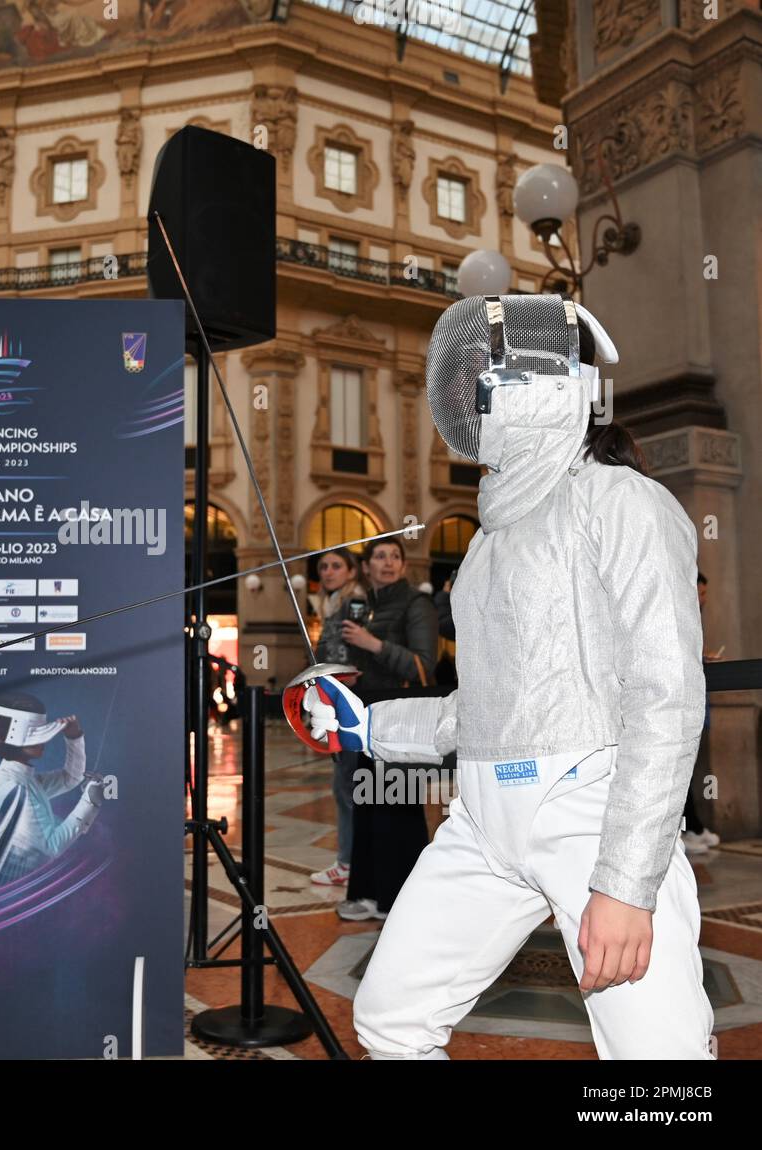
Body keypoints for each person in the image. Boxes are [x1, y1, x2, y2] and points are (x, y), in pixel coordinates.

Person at [300, 296, 714, 1059]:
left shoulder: (622, 502)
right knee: (390, 1021)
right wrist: (365, 724)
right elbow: (477, 715)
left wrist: (625, 883)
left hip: (593, 816)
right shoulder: (488, 546)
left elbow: (668, 696)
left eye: (474, 382)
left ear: (543, 381)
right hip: (484, 822)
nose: (459, 403)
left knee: (663, 1069)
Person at [334, 537, 438, 921]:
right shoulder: (364, 607)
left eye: (396, 556)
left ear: (404, 565)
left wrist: (373, 645)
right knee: (368, 806)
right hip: (367, 720)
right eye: (380, 556)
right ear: (366, 566)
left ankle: (399, 900)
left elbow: (424, 666)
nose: (389, 562)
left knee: (398, 810)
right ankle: (369, 896)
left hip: (403, 724)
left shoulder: (416, 604)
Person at [0, 694, 102, 885]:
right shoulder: (14, 787)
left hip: (22, 886)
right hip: (14, 891)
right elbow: (52, 847)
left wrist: (74, 738)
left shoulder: (19, 779)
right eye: (36, 735)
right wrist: (90, 802)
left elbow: (70, 778)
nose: (44, 741)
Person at [307, 548, 368, 888]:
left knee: (347, 789)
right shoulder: (332, 606)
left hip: (349, 707)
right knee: (345, 787)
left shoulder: (352, 605)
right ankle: (351, 860)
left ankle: (348, 862)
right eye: (323, 567)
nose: (328, 572)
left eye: (336, 566)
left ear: (351, 571)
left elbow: (352, 658)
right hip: (336, 704)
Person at [682, 572, 721, 855]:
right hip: (682, 708)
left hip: (698, 706)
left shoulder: (693, 619)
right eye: (701, 592)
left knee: (691, 773)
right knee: (683, 775)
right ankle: (688, 830)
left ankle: (694, 827)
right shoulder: (678, 615)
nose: (704, 599)